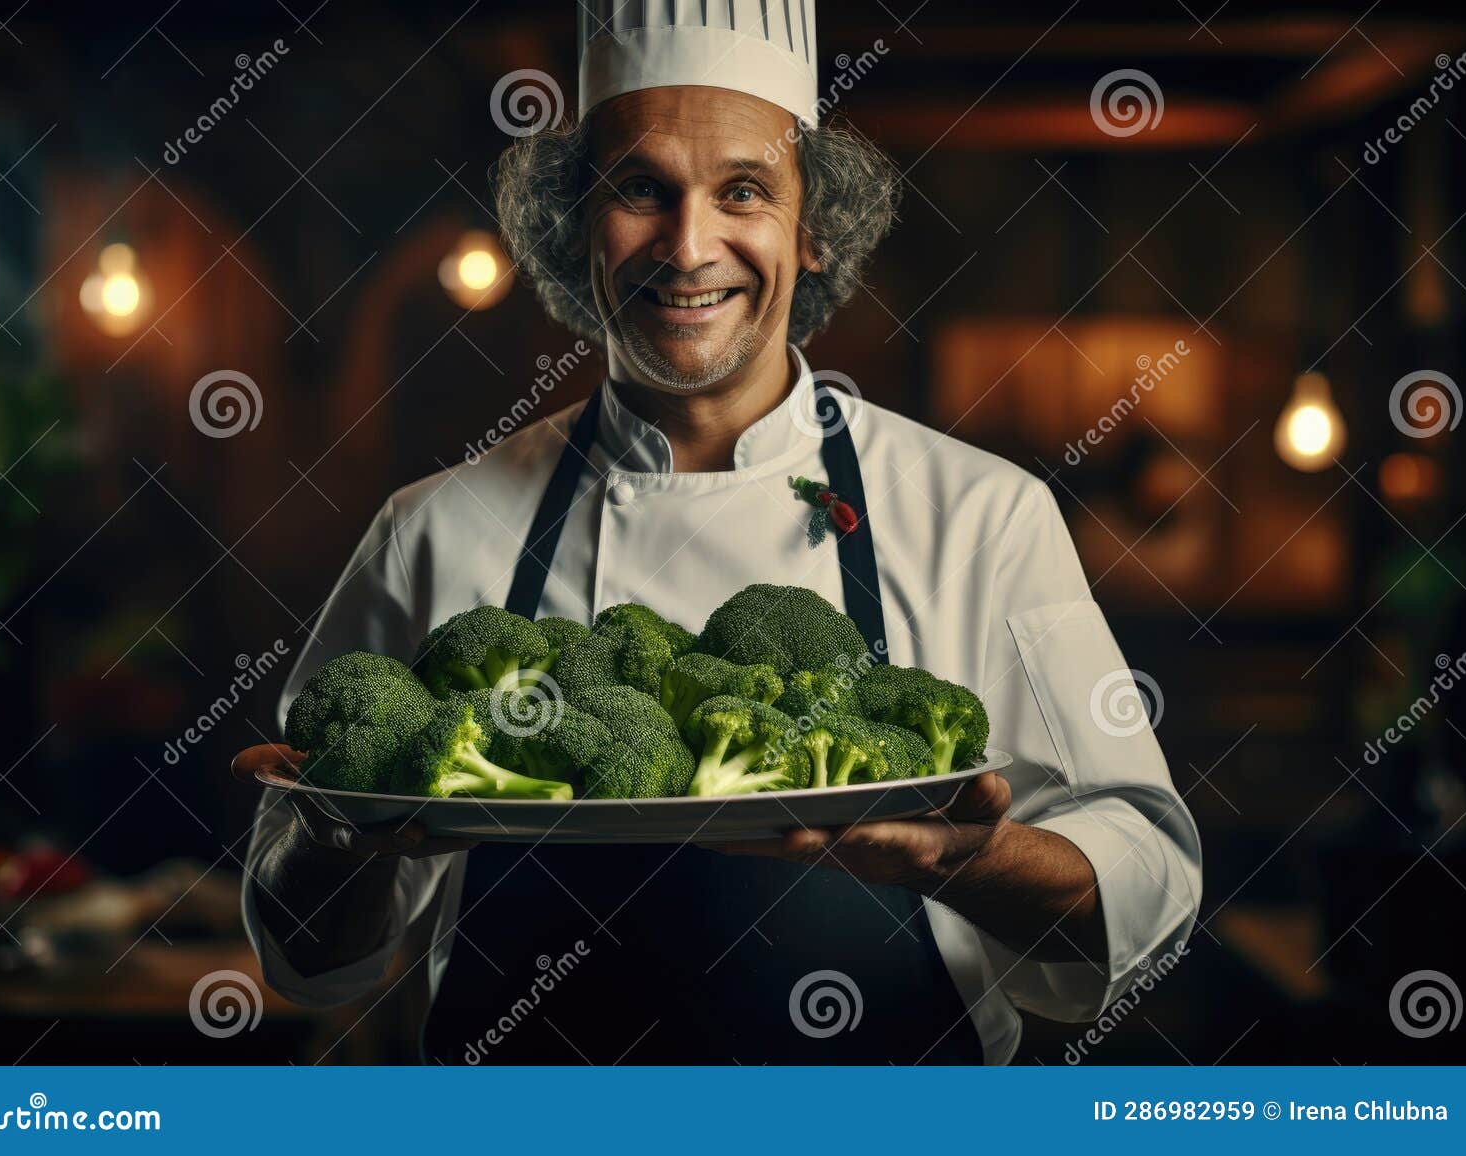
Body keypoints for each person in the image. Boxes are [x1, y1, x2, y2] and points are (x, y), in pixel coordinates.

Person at [239, 1, 1201, 1064]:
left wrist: (957, 861)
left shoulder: (978, 512)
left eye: (742, 189)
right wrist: (332, 832)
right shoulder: (433, 529)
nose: (689, 247)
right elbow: (307, 955)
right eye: (641, 189)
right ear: (576, 220)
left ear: (812, 224)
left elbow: (1147, 886)